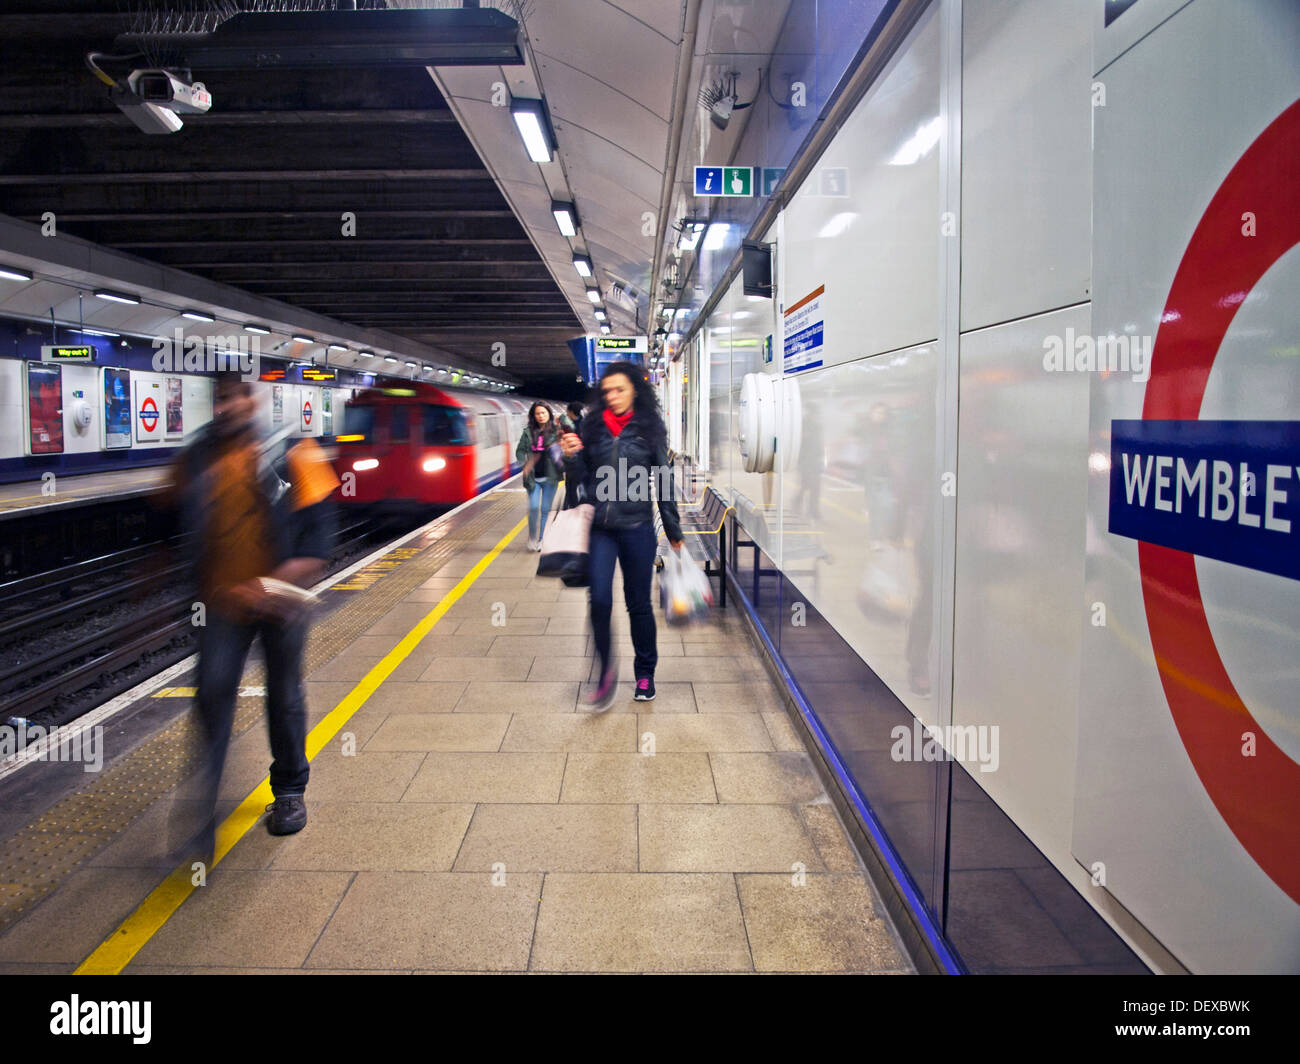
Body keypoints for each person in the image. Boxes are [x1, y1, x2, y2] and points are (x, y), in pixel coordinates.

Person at [162, 371, 338, 855]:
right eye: (218, 399)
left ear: (252, 400)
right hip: (222, 602)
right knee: (212, 695)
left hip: (282, 602)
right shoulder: (197, 456)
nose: (224, 408)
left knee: (282, 696)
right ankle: (202, 813)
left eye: (233, 398)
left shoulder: (296, 451)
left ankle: (289, 792)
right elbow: (166, 513)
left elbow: (323, 533)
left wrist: (281, 581)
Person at [560, 362, 683, 707]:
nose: (612, 397)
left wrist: (673, 529)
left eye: (620, 390)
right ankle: (605, 672)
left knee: (638, 605)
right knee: (598, 600)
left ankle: (645, 672)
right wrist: (571, 458)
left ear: (635, 391)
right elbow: (581, 481)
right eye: (607, 391)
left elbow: (663, 478)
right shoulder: (593, 427)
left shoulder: (649, 429)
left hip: (637, 528)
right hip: (601, 529)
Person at [517, 402, 562, 550]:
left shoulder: (556, 430)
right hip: (532, 478)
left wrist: (562, 419)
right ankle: (532, 537)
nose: (541, 416)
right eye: (538, 413)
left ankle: (543, 539)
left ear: (549, 413)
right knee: (534, 508)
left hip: (551, 477)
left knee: (546, 510)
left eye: (543, 413)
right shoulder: (528, 432)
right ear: (533, 416)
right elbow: (519, 451)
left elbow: (572, 429)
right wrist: (524, 463)